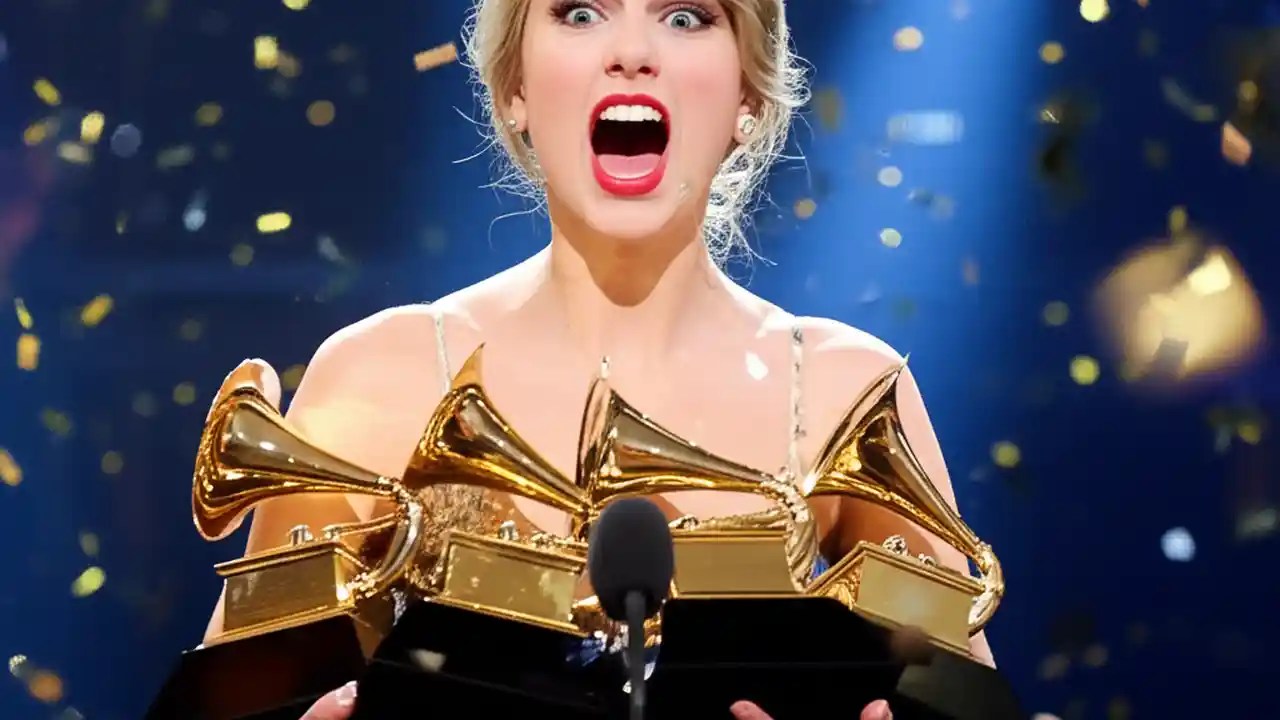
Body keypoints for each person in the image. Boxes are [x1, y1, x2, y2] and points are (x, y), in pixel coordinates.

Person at [204, 1, 995, 717]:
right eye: (580, 12)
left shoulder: (843, 392)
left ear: (749, 97)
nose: (632, 52)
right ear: (514, 86)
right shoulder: (379, 378)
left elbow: (960, 699)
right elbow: (236, 698)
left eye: (685, 16)